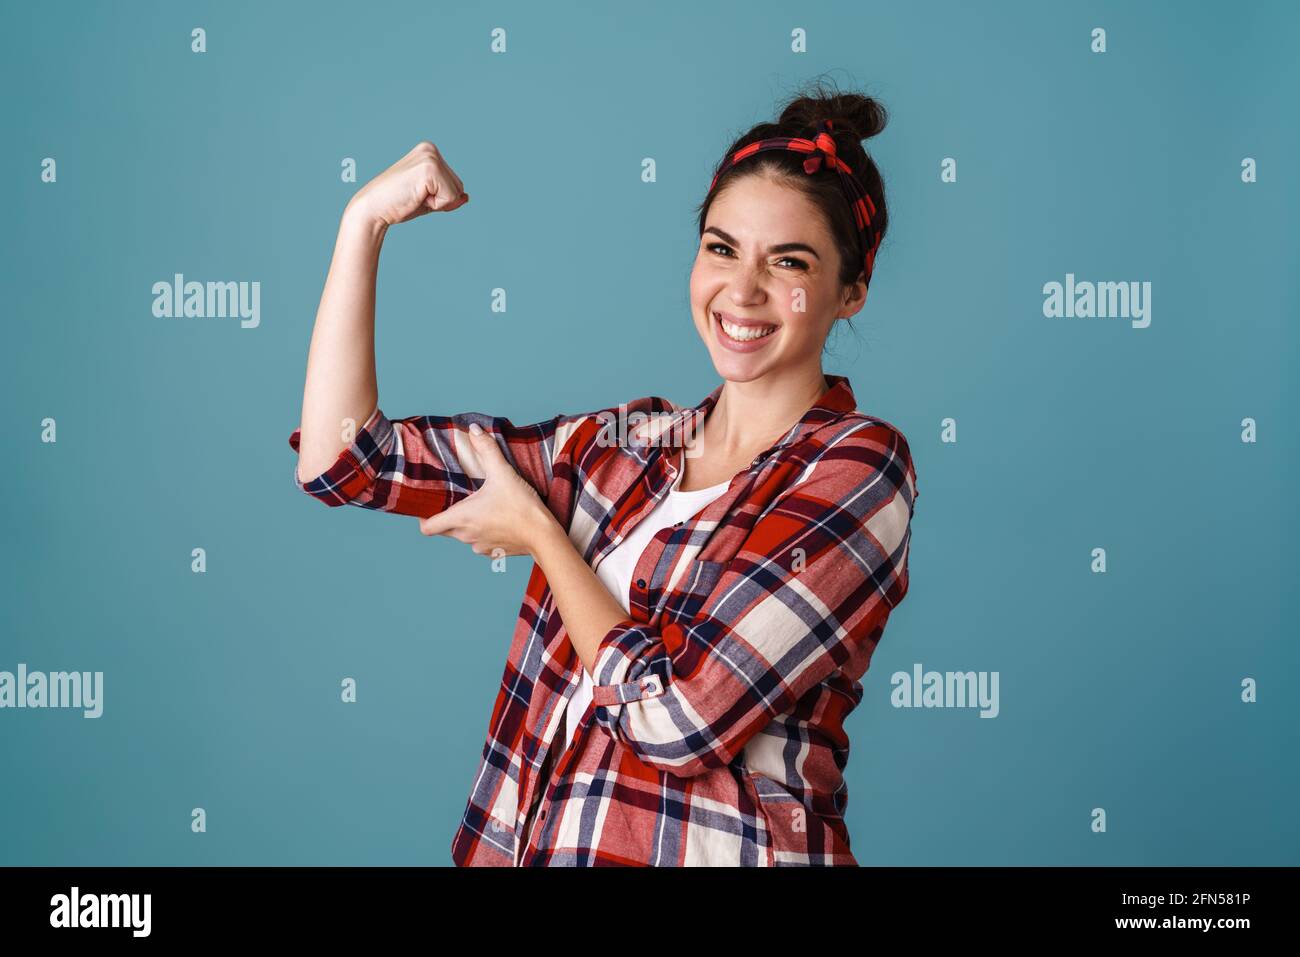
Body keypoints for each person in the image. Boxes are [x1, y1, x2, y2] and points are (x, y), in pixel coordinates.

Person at [289, 81, 919, 866]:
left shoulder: (858, 467)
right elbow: (346, 459)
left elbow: (680, 719)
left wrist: (542, 539)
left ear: (850, 291)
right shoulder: (622, 446)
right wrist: (364, 225)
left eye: (788, 262)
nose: (743, 290)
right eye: (721, 248)